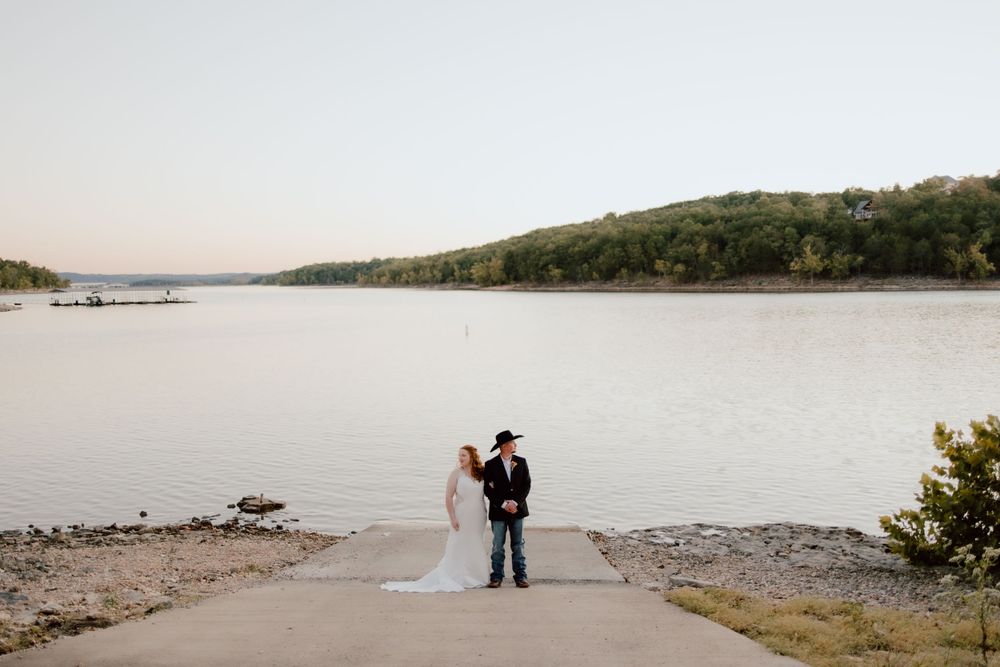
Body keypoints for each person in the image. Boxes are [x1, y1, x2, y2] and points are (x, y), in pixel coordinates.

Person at [381, 445, 489, 592]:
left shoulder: (482, 473)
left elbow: (493, 489)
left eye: (463, 455)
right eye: (459, 455)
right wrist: (452, 518)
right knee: (459, 544)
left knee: (476, 543)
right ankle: (459, 576)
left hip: (479, 514)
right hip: (462, 514)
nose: (460, 458)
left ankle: (477, 576)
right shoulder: (456, 473)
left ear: (472, 457)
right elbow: (448, 497)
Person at [482, 429, 531, 588]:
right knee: (497, 545)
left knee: (518, 544)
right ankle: (496, 576)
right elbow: (488, 490)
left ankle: (521, 576)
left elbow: (526, 485)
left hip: (518, 510)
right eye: (512, 442)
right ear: (504, 446)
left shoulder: (521, 462)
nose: (515, 445)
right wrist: (503, 504)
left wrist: (515, 503)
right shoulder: (490, 465)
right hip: (498, 511)